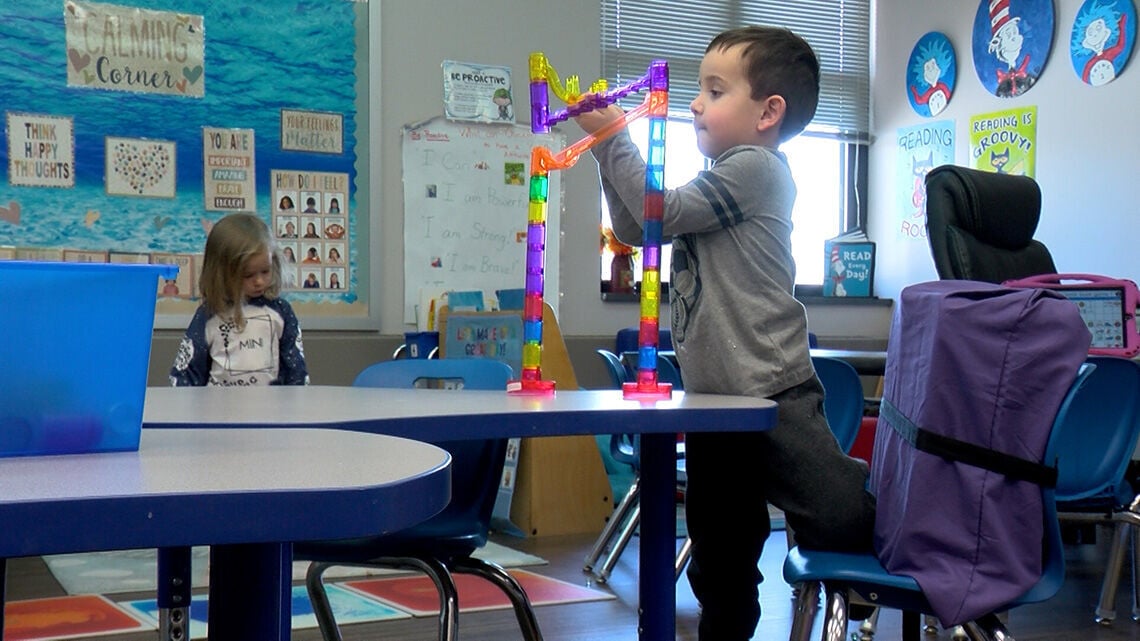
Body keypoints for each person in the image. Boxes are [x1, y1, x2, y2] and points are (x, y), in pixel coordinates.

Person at [575, 25, 875, 641]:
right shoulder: (719, 179)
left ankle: (877, 562)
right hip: (717, 402)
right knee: (721, 552)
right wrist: (608, 150)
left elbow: (660, 211)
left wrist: (612, 135)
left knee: (838, 512)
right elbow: (637, 227)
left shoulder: (757, 169)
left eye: (714, 91)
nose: (693, 103)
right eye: (699, 90)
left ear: (768, 113)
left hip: (773, 391)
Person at [169, 213, 308, 387]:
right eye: (248, 275)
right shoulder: (209, 314)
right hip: (217, 410)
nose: (259, 281)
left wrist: (297, 405)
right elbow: (187, 371)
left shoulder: (281, 311)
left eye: (265, 271)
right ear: (222, 274)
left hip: (271, 410)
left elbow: (295, 368)